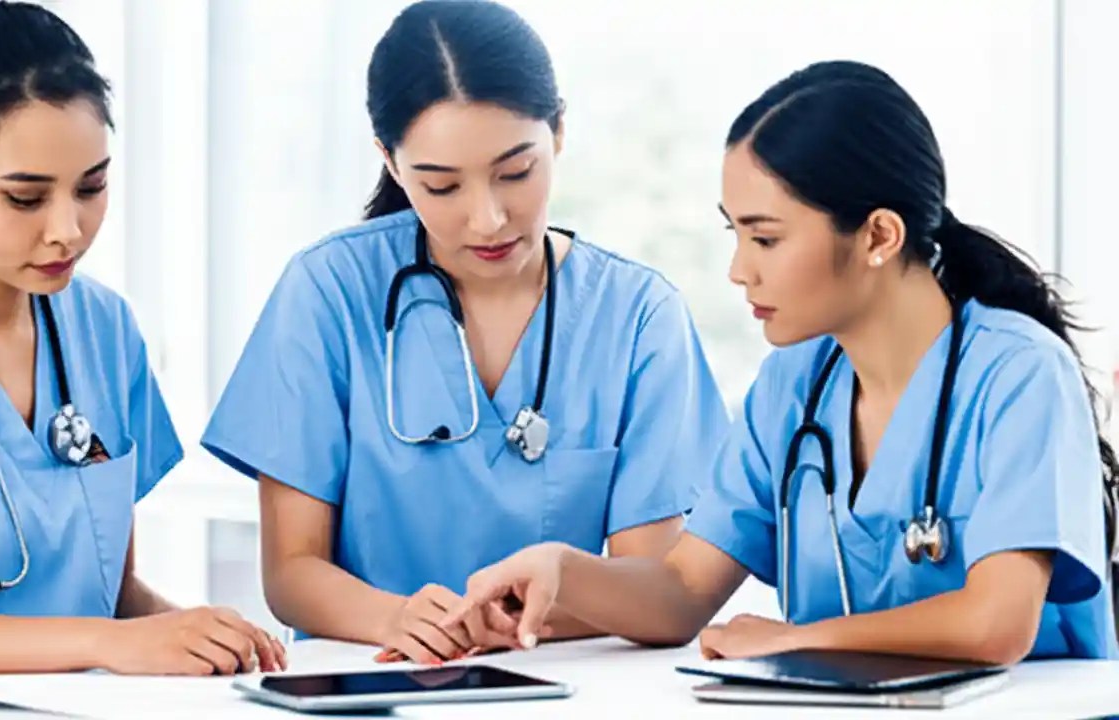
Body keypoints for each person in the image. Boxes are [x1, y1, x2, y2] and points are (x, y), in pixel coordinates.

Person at [444, 60, 1119, 663]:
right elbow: (682, 591)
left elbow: (996, 624)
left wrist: (794, 638)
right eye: (734, 233)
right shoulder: (794, 385)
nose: (739, 271)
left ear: (879, 236)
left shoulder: (1020, 374)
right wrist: (560, 569)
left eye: (765, 238)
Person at [201, 0, 729, 665]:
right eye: (442, 185)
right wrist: (396, 619)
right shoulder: (327, 290)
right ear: (391, 163)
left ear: (558, 132)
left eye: (515, 173)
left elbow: (654, 591)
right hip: (375, 678)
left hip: (564, 688)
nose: (487, 219)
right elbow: (291, 572)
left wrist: (506, 624)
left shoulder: (639, 316)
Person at [0, 0, 286, 676]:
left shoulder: (104, 329)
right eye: (26, 198)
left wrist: (209, 638)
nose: (68, 230)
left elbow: (114, 596)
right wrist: (102, 643)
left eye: (92, 187)